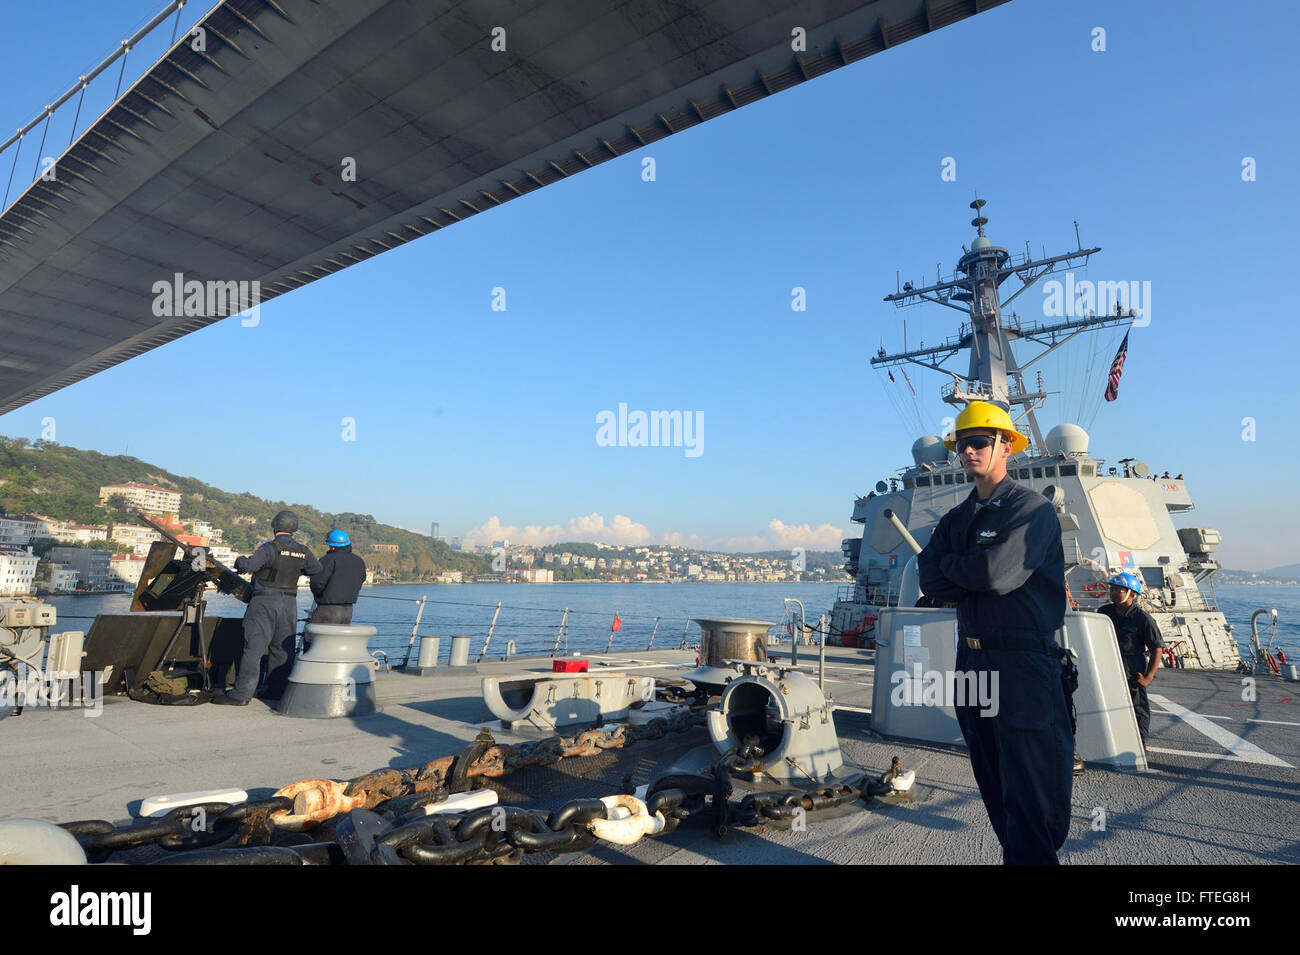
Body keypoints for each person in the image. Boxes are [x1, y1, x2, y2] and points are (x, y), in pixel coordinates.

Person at [917, 401, 1073, 865]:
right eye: (962, 443)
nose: (968, 451)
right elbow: (930, 579)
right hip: (972, 662)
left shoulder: (1031, 510)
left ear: (1007, 446)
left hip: (1021, 665)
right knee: (993, 779)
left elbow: (996, 575)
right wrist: (962, 570)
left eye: (980, 442)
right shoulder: (957, 518)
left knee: (1031, 788)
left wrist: (956, 569)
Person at [213, 510, 321, 705]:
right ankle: (276, 690)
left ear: (275, 527)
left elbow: (249, 566)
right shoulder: (303, 551)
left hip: (265, 601)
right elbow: (316, 569)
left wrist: (240, 560)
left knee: (254, 647)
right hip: (289, 603)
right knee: (282, 648)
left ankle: (241, 695)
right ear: (294, 529)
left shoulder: (270, 548)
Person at [1097, 572, 1163, 744]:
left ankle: (1140, 743)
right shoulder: (1104, 612)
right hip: (1108, 663)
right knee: (1109, 703)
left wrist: (1148, 677)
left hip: (1132, 666)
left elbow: (1157, 648)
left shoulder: (1142, 618)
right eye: (1112, 589)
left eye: (1118, 590)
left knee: (1137, 706)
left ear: (1131, 594)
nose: (1113, 593)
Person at [308, 529, 367, 625]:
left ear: (332, 546)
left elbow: (317, 583)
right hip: (348, 610)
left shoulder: (327, 560)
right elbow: (362, 579)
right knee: (339, 639)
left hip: (327, 609)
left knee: (315, 638)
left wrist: (319, 596)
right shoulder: (359, 561)